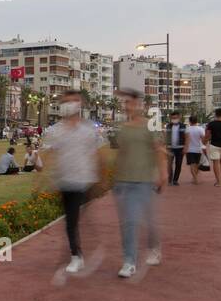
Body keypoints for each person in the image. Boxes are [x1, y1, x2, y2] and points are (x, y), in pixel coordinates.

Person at [39, 89, 106, 274]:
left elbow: (99, 152)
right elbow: (50, 152)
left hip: (84, 180)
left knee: (74, 220)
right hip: (65, 181)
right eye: (66, 101)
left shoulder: (88, 129)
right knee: (72, 220)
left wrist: (101, 177)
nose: (70, 104)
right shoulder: (57, 130)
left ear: (80, 104)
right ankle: (77, 254)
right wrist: (45, 175)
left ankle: (77, 254)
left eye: (74, 101)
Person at [113, 89, 167, 277]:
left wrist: (163, 174)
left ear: (139, 105)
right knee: (129, 222)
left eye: (131, 102)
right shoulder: (123, 127)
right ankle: (129, 261)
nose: (127, 106)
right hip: (123, 181)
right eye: (125, 103)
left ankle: (154, 247)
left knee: (148, 220)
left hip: (144, 181)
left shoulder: (150, 126)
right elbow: (121, 152)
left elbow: (159, 150)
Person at [203, 108, 221, 186]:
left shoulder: (211, 124)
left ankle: (218, 181)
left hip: (214, 145)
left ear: (215, 114)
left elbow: (207, 135)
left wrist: (204, 143)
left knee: (216, 163)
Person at [163, 111, 186, 185]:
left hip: (180, 148)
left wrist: (186, 147)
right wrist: (165, 146)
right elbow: (166, 136)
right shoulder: (168, 126)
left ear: (179, 117)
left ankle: (175, 180)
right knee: (169, 164)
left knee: (178, 164)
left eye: (175, 118)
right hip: (170, 148)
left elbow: (186, 137)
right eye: (172, 118)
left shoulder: (183, 126)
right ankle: (170, 180)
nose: (174, 119)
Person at [183, 115, 206, 184]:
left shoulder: (187, 129)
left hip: (190, 150)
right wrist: (204, 148)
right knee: (197, 164)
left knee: (192, 165)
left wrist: (185, 148)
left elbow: (186, 140)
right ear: (197, 121)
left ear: (190, 121)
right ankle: (195, 178)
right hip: (198, 149)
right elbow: (203, 140)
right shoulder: (201, 129)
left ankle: (195, 178)